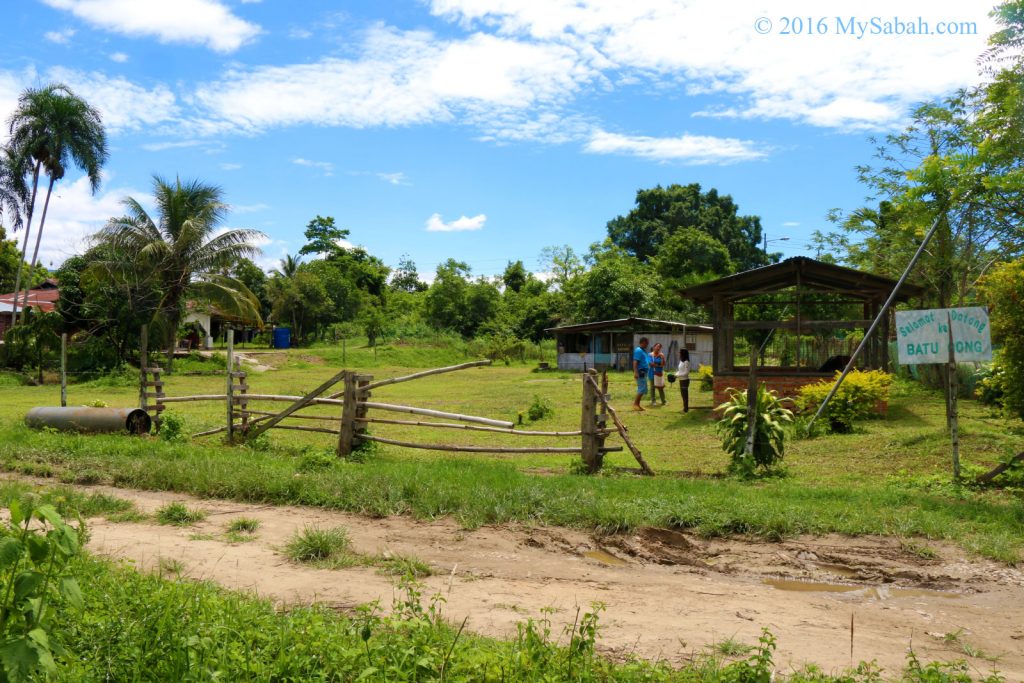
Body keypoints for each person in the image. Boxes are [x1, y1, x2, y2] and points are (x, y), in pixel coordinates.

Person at [632, 337, 650, 411]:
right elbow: (635, 362)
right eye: (646, 343)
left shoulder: (643, 351)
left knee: (643, 388)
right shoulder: (638, 350)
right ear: (643, 342)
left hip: (644, 372)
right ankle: (636, 404)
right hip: (640, 372)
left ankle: (637, 404)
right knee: (642, 388)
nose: (647, 345)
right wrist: (635, 373)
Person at [677, 348, 691, 413]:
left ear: (683, 353)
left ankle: (686, 409)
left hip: (685, 380)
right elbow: (680, 371)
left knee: (685, 395)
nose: (679, 354)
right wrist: (675, 374)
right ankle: (684, 408)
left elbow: (686, 373)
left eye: (680, 352)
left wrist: (677, 375)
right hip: (681, 380)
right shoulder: (681, 361)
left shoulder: (686, 362)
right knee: (682, 395)